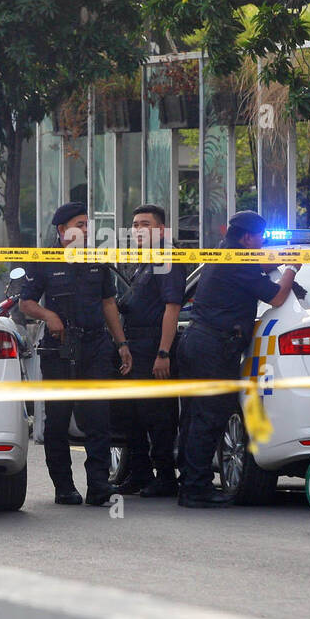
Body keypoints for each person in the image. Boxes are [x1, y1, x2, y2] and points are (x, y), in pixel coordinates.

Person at [175, 210, 298, 508]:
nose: (262, 243)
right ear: (246, 238)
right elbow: (278, 298)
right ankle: (195, 489)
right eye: (260, 238)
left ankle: (190, 482)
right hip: (213, 348)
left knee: (195, 416)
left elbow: (258, 265)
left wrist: (278, 260)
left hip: (199, 342)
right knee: (209, 416)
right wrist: (293, 267)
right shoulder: (239, 261)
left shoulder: (226, 255)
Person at [19, 202, 133, 506]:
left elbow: (108, 303)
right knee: (58, 420)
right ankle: (64, 487)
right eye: (79, 224)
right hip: (59, 349)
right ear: (61, 230)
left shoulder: (96, 258)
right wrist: (48, 315)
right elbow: (26, 303)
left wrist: (121, 344)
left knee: (98, 417)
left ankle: (98, 485)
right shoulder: (43, 260)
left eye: (87, 224)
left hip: (95, 346)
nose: (85, 229)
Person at [113, 204, 186, 498]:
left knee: (157, 415)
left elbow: (172, 308)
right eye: (134, 224)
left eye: (145, 223)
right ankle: (140, 473)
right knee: (133, 414)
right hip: (134, 345)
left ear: (161, 229)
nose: (137, 229)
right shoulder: (145, 260)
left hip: (153, 345)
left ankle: (166, 476)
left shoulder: (167, 258)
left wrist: (163, 353)